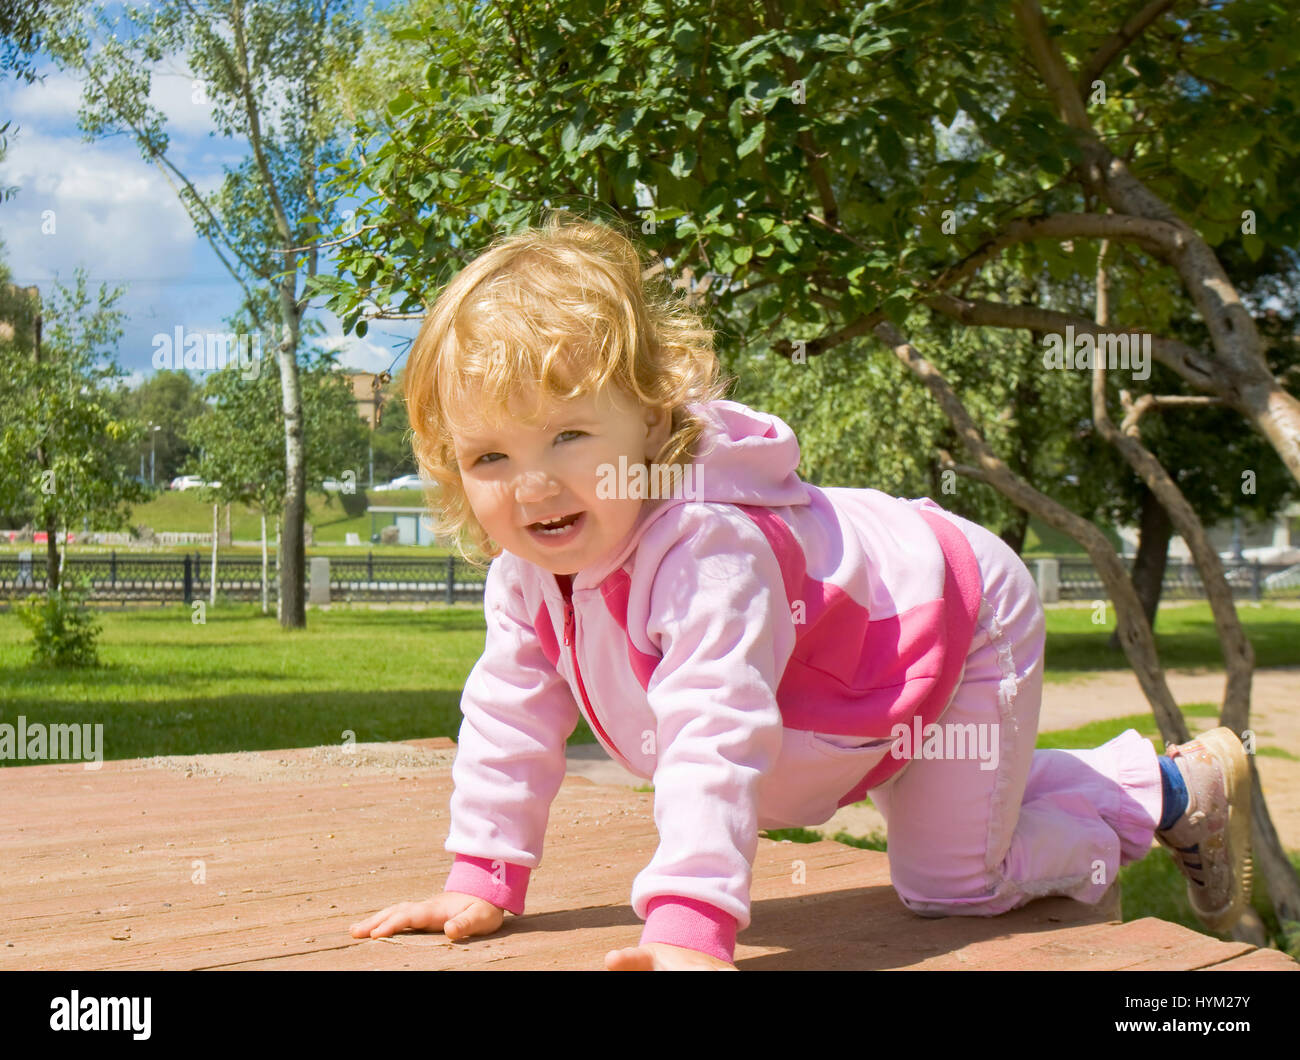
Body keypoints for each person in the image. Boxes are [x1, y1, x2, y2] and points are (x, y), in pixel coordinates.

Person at [349, 212, 1252, 971]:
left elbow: (712, 725)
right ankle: (1122, 780)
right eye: (490, 457)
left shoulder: (706, 550)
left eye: (570, 436)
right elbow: (509, 719)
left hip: (952, 616)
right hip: (851, 686)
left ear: (654, 419)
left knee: (951, 886)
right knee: (950, 802)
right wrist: (481, 879)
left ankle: (1165, 797)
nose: (534, 484)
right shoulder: (526, 576)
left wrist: (691, 926)